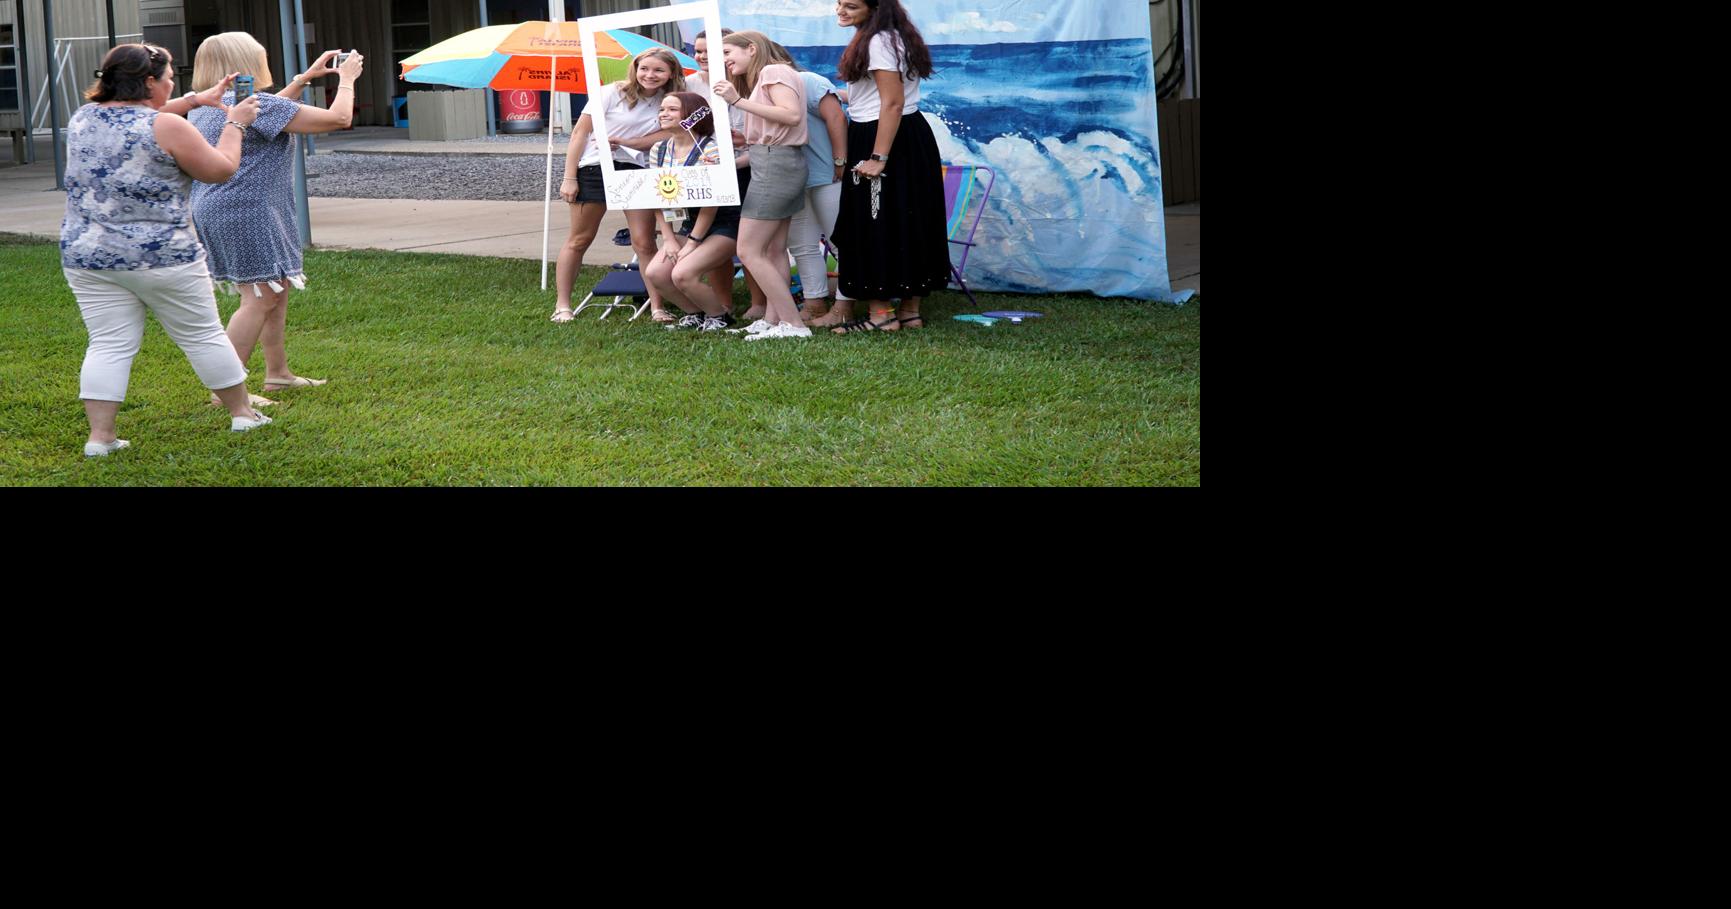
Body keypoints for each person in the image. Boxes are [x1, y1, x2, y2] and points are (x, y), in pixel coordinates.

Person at [60, 43, 270, 456]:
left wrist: (197, 100)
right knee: (202, 335)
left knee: (108, 343)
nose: (174, 83)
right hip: (163, 257)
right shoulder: (169, 127)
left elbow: (142, 119)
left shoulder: (83, 118)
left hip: (89, 256)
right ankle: (243, 414)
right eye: (170, 77)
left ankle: (100, 439)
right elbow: (220, 169)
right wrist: (236, 123)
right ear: (150, 81)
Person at [187, 33, 361, 402]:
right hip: (245, 209)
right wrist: (347, 78)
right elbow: (339, 118)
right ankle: (226, 391)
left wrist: (304, 79)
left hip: (220, 206)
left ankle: (278, 373)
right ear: (251, 62)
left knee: (273, 290)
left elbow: (269, 115)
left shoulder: (211, 106)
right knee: (260, 298)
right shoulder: (258, 104)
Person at [830, 0, 951, 334]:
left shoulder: (878, 41)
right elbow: (880, 95)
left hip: (883, 137)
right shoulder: (894, 37)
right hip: (909, 135)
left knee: (873, 223)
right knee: (909, 220)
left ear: (875, 7)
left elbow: (892, 102)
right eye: (838, 3)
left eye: (850, 5)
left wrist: (878, 157)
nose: (840, 10)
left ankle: (881, 315)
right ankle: (910, 312)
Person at [554, 49, 681, 323]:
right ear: (635, 68)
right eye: (644, 68)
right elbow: (580, 133)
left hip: (637, 170)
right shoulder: (612, 92)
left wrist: (626, 142)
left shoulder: (670, 100)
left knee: (644, 242)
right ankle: (563, 305)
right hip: (595, 168)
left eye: (659, 70)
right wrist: (569, 176)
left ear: (671, 73)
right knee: (579, 239)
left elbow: (666, 134)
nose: (650, 75)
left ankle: (657, 307)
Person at [713, 30, 810, 340]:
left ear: (751, 48)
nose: (725, 61)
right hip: (778, 163)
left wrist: (737, 101)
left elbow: (791, 116)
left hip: (775, 167)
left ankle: (794, 324)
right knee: (773, 249)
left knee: (748, 249)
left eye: (728, 52)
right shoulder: (775, 72)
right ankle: (773, 321)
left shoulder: (773, 70)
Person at [764, 43, 851, 327]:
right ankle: (814, 303)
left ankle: (845, 306)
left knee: (840, 242)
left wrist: (840, 160)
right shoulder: (760, 92)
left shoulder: (808, 81)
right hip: (795, 178)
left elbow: (836, 116)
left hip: (828, 175)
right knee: (801, 244)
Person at [642, 92, 738, 332]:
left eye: (672, 109)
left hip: (724, 223)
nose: (664, 113)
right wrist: (669, 238)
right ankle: (695, 313)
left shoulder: (711, 150)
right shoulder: (658, 149)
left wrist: (692, 243)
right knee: (656, 273)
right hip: (687, 222)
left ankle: (719, 317)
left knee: (682, 273)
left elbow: (711, 202)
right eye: (662, 109)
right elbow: (658, 197)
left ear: (692, 115)